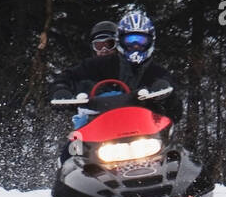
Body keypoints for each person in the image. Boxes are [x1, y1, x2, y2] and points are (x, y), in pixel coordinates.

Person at [49, 10, 182, 123]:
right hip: (99, 128)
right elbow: (69, 76)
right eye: (130, 41)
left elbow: (176, 113)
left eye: (141, 41)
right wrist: (61, 89)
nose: (135, 46)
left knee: (170, 152)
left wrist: (167, 96)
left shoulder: (157, 73)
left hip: (144, 132)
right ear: (121, 41)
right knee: (72, 148)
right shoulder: (99, 64)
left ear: (150, 42)